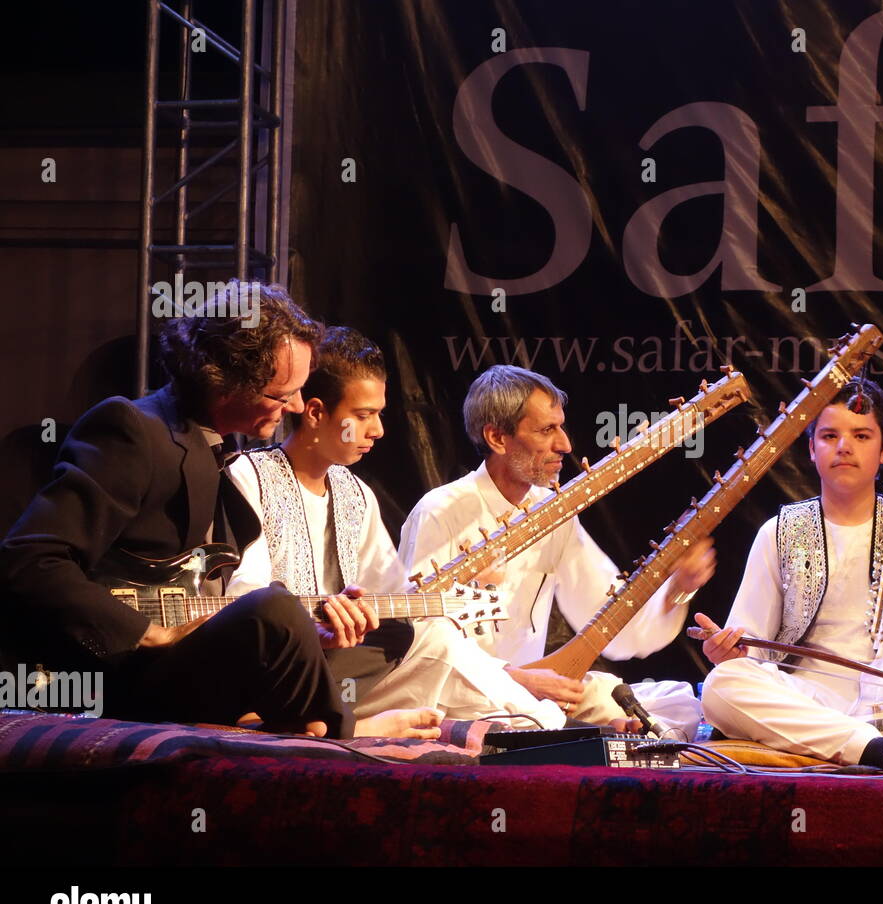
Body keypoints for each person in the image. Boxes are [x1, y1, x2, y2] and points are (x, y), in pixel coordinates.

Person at [0, 282, 438, 740]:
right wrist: (149, 632)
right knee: (273, 604)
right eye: (280, 393)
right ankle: (348, 736)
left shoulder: (215, 445)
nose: (292, 406)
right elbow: (30, 558)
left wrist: (307, 639)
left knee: (374, 635)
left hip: (173, 664)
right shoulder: (133, 430)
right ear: (226, 381)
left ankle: (315, 729)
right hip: (115, 675)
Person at [693, 377, 883, 770]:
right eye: (829, 435)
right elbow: (752, 648)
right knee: (723, 685)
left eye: (862, 436)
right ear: (812, 450)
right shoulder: (779, 531)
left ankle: (847, 743)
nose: (844, 447)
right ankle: (879, 749)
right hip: (806, 696)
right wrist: (729, 651)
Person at [397, 364, 713, 732]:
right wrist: (513, 679)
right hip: (461, 694)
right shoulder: (441, 510)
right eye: (547, 430)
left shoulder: (553, 511)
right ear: (498, 438)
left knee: (675, 705)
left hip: (535, 693)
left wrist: (675, 589)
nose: (565, 444)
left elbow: (611, 619)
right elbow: (422, 639)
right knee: (538, 718)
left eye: (560, 427)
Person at [225, 326, 423, 712]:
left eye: (378, 415)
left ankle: (327, 712)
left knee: (411, 634)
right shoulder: (248, 475)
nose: (378, 430)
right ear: (315, 412)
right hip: (273, 662)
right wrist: (313, 632)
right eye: (364, 415)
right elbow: (244, 597)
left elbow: (391, 591)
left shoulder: (357, 494)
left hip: (342, 666)